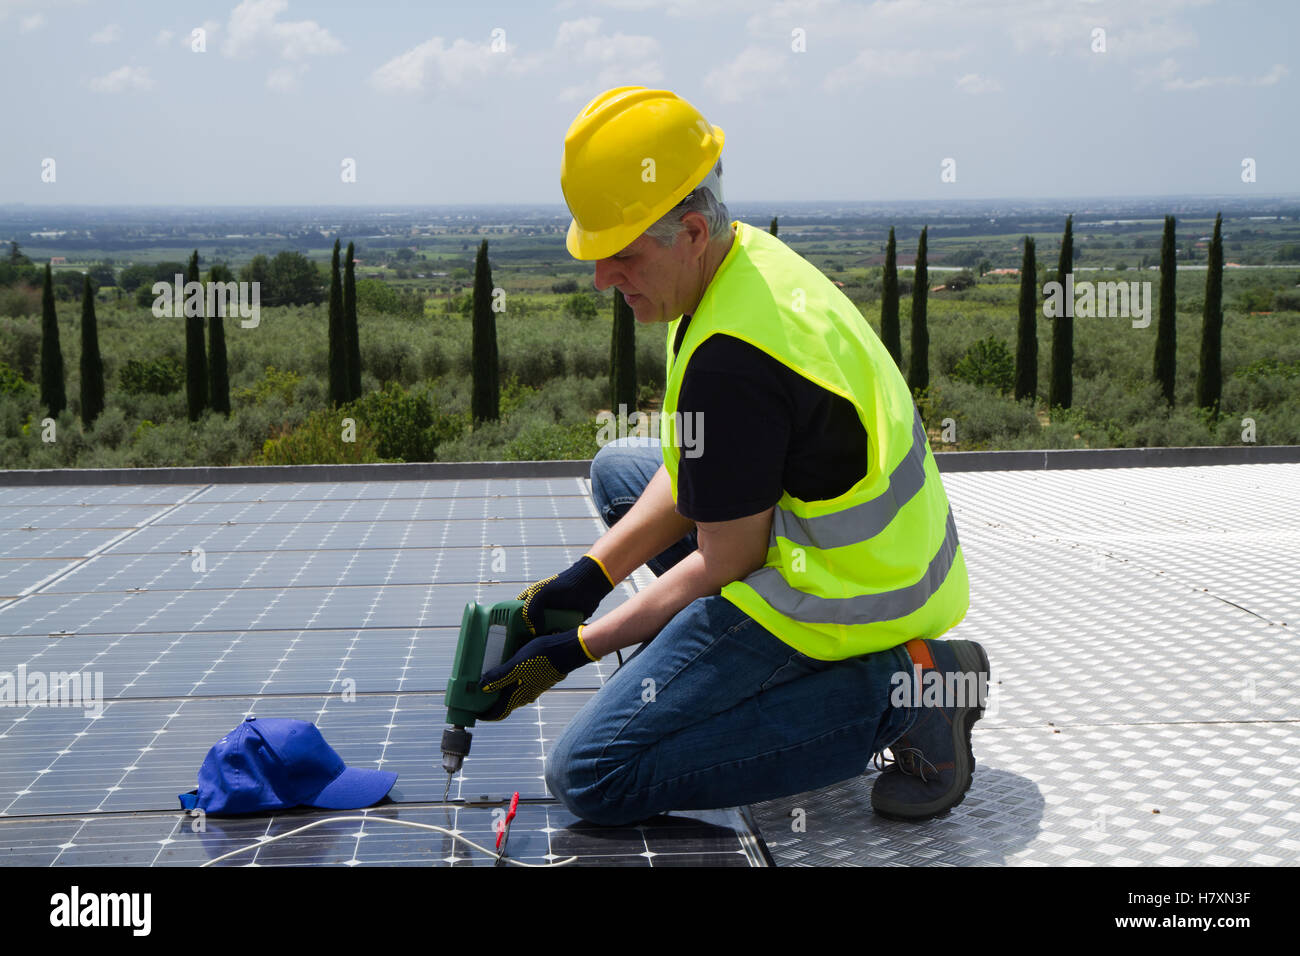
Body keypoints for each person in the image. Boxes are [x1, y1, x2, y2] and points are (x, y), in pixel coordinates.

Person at [480, 86, 988, 827]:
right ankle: (736, 683)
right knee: (621, 468)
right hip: (882, 553)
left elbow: (729, 561)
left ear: (688, 228)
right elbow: (695, 468)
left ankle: (910, 692)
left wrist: (575, 648)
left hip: (847, 591)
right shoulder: (737, 261)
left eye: (619, 254)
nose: (600, 279)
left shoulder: (732, 363)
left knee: (590, 775)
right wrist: (580, 583)